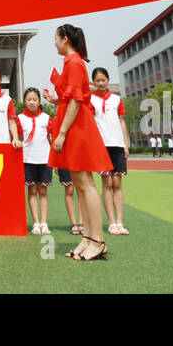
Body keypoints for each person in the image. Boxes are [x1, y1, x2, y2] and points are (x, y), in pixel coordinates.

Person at [42, 23, 112, 262]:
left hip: (77, 127)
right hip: (72, 123)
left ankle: (98, 241)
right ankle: (88, 238)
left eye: (55, 38)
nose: (54, 43)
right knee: (80, 184)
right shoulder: (72, 63)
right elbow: (68, 98)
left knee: (85, 184)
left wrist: (61, 133)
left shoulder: (74, 62)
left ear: (64, 39)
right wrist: (55, 99)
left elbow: (75, 101)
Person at [91, 68, 129, 236]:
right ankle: (111, 222)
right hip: (102, 146)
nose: (101, 83)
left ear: (108, 80)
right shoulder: (91, 100)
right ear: (93, 82)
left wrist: (126, 145)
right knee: (107, 184)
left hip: (118, 145)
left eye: (103, 80)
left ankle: (120, 222)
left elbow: (122, 122)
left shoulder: (117, 99)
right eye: (97, 80)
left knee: (117, 183)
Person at [18, 88, 52, 235]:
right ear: (24, 101)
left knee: (43, 191)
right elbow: (18, 138)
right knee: (31, 191)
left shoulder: (46, 118)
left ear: (39, 101)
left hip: (44, 159)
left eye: (34, 100)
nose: (32, 102)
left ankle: (44, 223)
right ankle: (35, 222)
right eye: (29, 99)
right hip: (27, 159)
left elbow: (51, 137)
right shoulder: (19, 118)